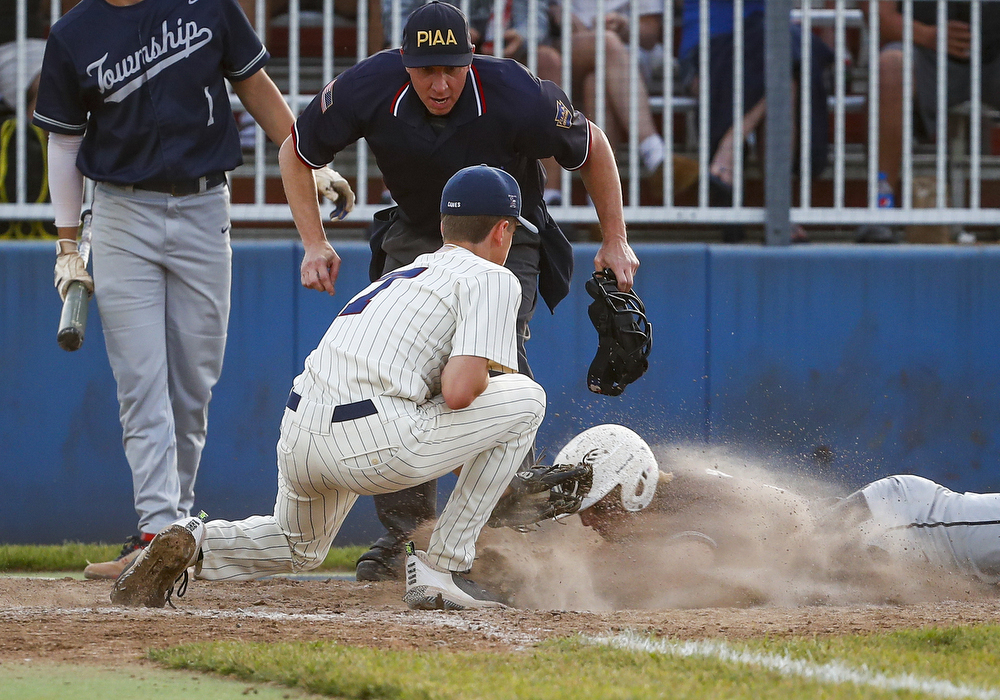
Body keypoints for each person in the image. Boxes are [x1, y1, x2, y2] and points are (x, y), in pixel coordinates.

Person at [279, 0, 640, 583]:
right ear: (404, 62)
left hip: (505, 236)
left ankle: (507, 531)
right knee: (405, 368)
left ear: (472, 59)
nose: (441, 83)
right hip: (420, 229)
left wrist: (615, 239)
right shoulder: (369, 85)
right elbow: (296, 150)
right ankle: (407, 538)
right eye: (426, 70)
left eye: (453, 68)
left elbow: (592, 145)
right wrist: (314, 242)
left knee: (495, 365)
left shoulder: (516, 91)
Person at [111, 164, 547, 611]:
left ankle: (195, 540)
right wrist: (504, 469)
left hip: (302, 432)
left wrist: (484, 465)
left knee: (296, 545)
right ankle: (444, 568)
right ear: (502, 230)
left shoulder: (404, 277)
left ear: (442, 226)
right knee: (527, 398)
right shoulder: (493, 277)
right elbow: (458, 393)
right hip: (377, 439)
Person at [32, 0, 350, 580]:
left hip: (206, 206)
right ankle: (159, 530)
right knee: (140, 378)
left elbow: (254, 87)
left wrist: (308, 161)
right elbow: (65, 142)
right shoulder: (75, 32)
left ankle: (171, 535)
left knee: (194, 381)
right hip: (122, 211)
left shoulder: (207, 7)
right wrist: (67, 243)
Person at [678, 0, 833, 242]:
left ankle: (730, 146)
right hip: (710, 44)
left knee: (784, 57)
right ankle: (780, 210)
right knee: (785, 64)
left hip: (767, 43)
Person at [856, 1, 1000, 243]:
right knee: (891, 66)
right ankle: (881, 205)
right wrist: (929, 35)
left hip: (994, 57)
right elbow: (877, 14)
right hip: (925, 52)